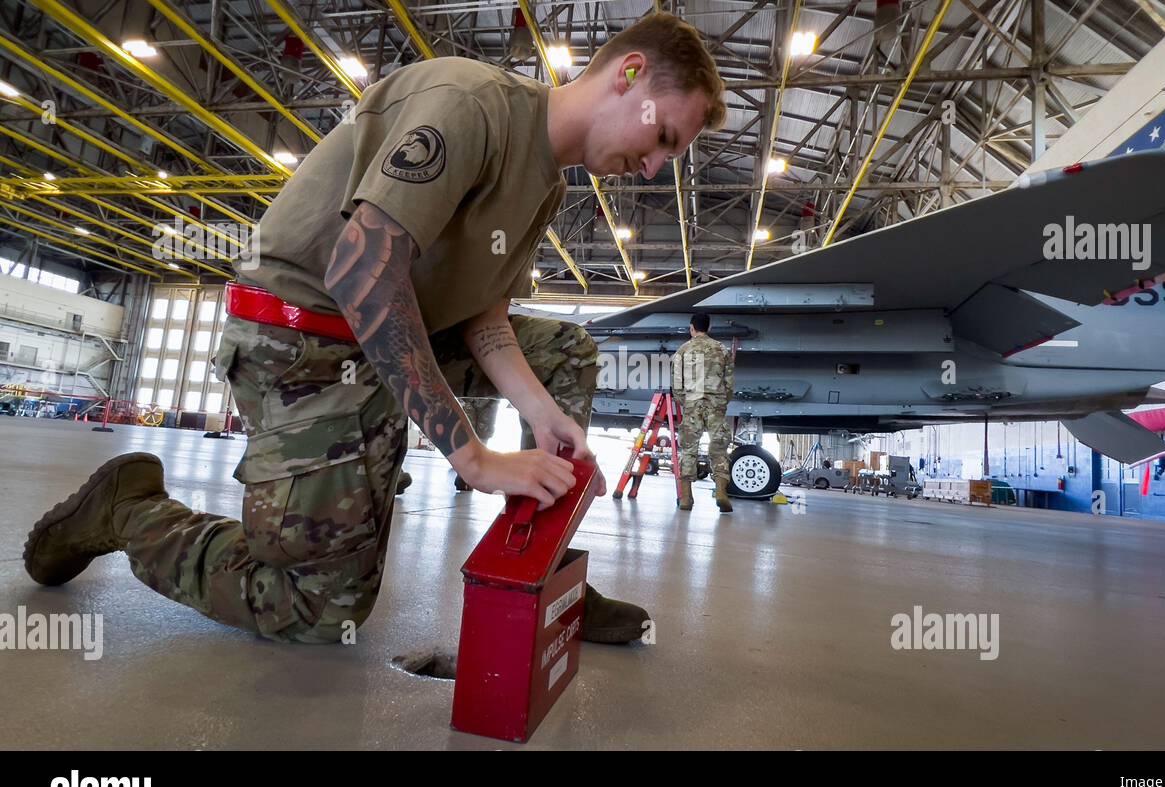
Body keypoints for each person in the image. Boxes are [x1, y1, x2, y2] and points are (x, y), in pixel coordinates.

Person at [23, 13, 727, 645]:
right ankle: (131, 511)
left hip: (386, 337)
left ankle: (535, 570)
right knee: (319, 608)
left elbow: (487, 323)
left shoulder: (547, 186)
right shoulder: (471, 104)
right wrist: (473, 456)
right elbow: (364, 274)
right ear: (628, 73)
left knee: (564, 350)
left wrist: (543, 418)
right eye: (663, 135)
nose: (659, 167)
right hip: (299, 345)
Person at [671, 312, 734, 513]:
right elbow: (729, 383)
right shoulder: (722, 349)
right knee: (719, 449)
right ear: (709, 327)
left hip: (692, 404)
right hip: (716, 405)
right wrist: (721, 403)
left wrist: (685, 403)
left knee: (688, 450)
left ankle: (687, 499)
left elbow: (676, 386)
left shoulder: (683, 350)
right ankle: (722, 492)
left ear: (692, 328)